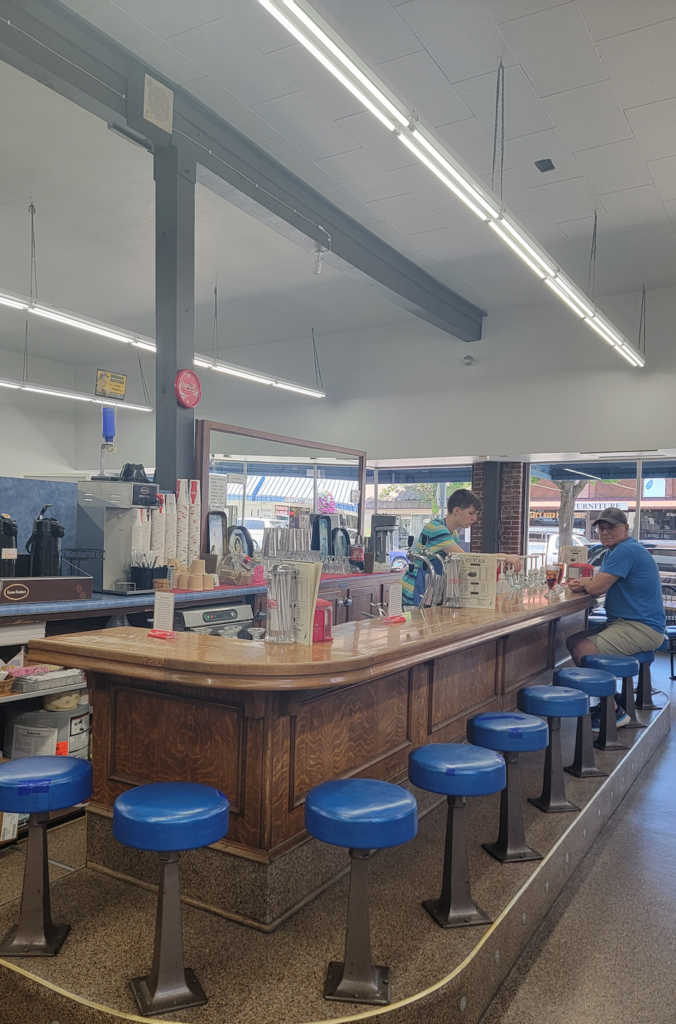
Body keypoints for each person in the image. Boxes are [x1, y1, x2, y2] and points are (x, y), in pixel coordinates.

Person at [566, 507, 666, 729]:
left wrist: (587, 584)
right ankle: (611, 696)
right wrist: (589, 583)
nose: (605, 532)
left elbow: (598, 588)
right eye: (601, 528)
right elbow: (599, 582)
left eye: (611, 527)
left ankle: (612, 710)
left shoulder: (625, 550)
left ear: (626, 529)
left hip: (642, 627)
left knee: (583, 649)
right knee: (573, 641)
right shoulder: (616, 551)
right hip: (627, 623)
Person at [401, 488, 522, 607]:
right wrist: (504, 556)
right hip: (415, 590)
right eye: (471, 513)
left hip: (431, 588)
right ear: (456, 510)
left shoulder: (453, 534)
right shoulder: (436, 529)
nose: (474, 518)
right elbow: (466, 558)